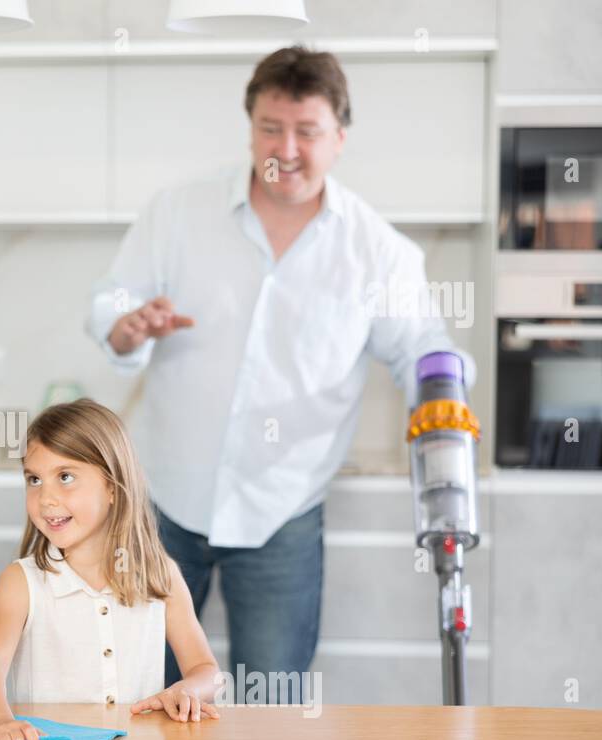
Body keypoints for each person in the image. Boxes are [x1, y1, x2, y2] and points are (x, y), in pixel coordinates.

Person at [87, 46, 474, 701]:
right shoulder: (179, 211)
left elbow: (421, 347)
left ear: (340, 138)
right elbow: (111, 301)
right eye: (271, 128)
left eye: (307, 131)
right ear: (250, 128)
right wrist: (128, 324)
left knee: (273, 713)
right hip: (165, 506)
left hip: (282, 516)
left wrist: (441, 390)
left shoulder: (377, 252)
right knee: (142, 695)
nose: (286, 148)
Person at [0, 399, 221, 740]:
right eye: (34, 480)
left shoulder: (160, 576)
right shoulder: (22, 581)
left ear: (113, 487)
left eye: (65, 477)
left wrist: (189, 690)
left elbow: (206, 670)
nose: (46, 498)